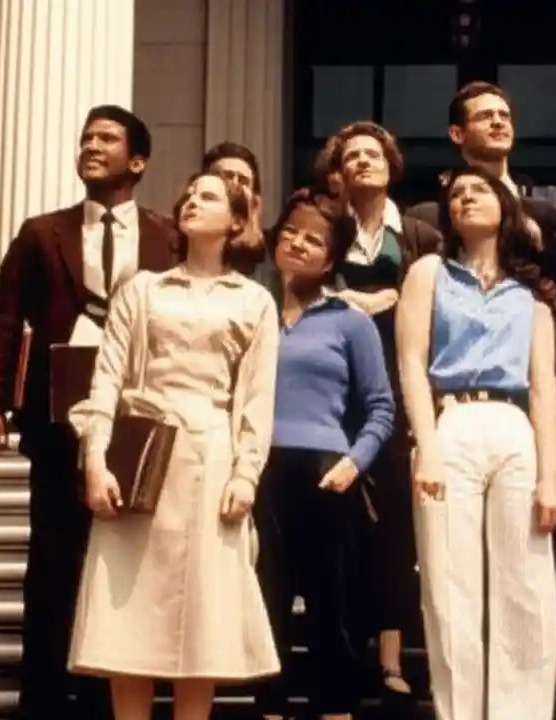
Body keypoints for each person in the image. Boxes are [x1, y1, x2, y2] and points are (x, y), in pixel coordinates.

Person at [0, 105, 176, 720]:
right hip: (57, 417)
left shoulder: (166, 235)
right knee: (54, 558)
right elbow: (6, 318)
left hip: (135, 415)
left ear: (136, 161)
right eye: (86, 137)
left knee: (116, 560)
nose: (92, 146)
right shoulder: (41, 233)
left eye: (107, 139)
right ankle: (41, 695)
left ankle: (101, 694)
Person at [67, 172, 279, 720]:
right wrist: (95, 460)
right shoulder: (141, 289)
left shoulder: (254, 300)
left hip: (210, 456)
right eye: (188, 193)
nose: (191, 201)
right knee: (126, 620)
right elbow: (106, 380)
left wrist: (245, 474)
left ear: (235, 221)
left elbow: (256, 396)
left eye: (209, 196)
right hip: (141, 456)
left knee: (200, 622)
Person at [397, 165, 556, 720]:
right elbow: (412, 365)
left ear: (505, 206)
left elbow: (544, 389)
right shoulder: (429, 274)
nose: (466, 198)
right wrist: (427, 445)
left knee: (526, 586)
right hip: (452, 421)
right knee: (449, 588)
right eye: (457, 194)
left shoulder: (531, 294)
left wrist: (551, 480)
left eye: (479, 190)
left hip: (515, 426)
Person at [252, 187, 396, 720]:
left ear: (332, 257)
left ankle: (335, 708)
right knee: (266, 597)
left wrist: (353, 462)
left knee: (332, 602)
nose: (298, 243)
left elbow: (381, 407)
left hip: (326, 470)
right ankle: (269, 708)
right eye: (290, 231)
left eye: (314, 239)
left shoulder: (349, 320)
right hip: (259, 468)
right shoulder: (252, 309)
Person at [321, 120, 443, 701]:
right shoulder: (327, 231)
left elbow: (442, 318)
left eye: (373, 154)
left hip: (400, 392)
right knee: (345, 532)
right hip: (338, 396)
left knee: (395, 531)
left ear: (391, 166)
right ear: (338, 173)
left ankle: (392, 660)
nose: (363, 163)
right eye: (351, 157)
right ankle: (345, 652)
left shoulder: (421, 233)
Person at [405, 80, 556, 314]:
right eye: (485, 116)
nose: (498, 122)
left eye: (504, 116)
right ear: (457, 134)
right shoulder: (428, 216)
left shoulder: (543, 214)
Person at [201, 141, 270, 276]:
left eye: (243, 181)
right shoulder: (174, 241)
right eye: (226, 177)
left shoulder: (274, 259)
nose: (234, 185)